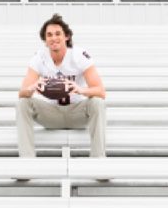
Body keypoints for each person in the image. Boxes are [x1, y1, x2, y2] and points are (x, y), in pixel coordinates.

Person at [16, 13, 106, 158]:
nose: (53, 38)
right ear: (45, 40)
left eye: (58, 33)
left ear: (67, 37)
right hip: (51, 114)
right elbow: (22, 93)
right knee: (22, 103)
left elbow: (101, 91)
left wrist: (80, 90)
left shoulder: (79, 55)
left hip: (77, 113)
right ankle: (27, 162)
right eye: (49, 35)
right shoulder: (39, 57)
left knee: (97, 102)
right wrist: (32, 87)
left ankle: (98, 162)